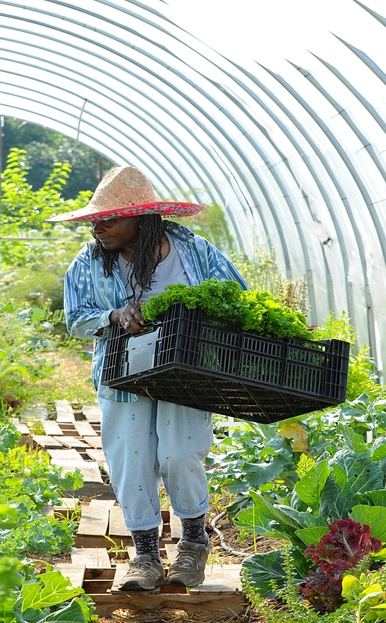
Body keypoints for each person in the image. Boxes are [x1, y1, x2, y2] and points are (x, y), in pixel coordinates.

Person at [54, 166, 247, 590]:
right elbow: (76, 319)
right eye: (94, 220)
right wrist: (114, 315)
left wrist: (200, 320)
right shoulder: (88, 263)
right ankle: (145, 557)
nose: (98, 227)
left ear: (142, 218)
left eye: (109, 219)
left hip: (185, 372)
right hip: (122, 376)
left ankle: (194, 544)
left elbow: (236, 296)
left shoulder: (192, 251)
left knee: (180, 453)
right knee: (131, 460)